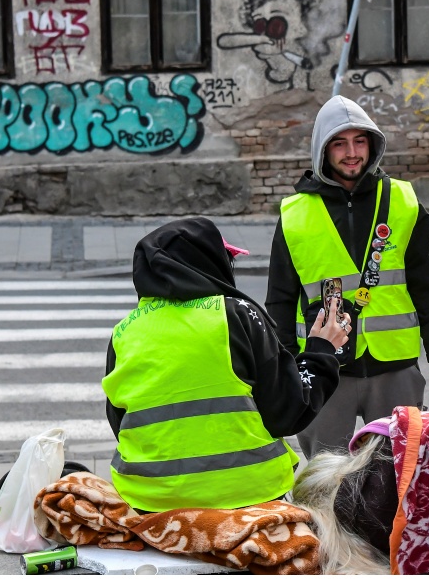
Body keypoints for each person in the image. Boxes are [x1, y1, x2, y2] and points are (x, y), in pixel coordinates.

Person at [105, 218, 346, 512]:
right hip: (248, 496)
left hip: (148, 501)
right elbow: (288, 412)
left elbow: (122, 424)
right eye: (227, 259)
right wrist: (322, 350)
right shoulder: (237, 315)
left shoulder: (124, 331)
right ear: (208, 262)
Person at [265, 97, 429, 455]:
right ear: (323, 149)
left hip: (394, 367)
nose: (351, 153)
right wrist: (286, 366)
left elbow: (426, 283)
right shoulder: (294, 214)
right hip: (324, 370)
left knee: (395, 473)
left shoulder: (404, 201)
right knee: (326, 479)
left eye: (359, 141)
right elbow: (280, 298)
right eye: (339, 143)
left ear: (372, 144)